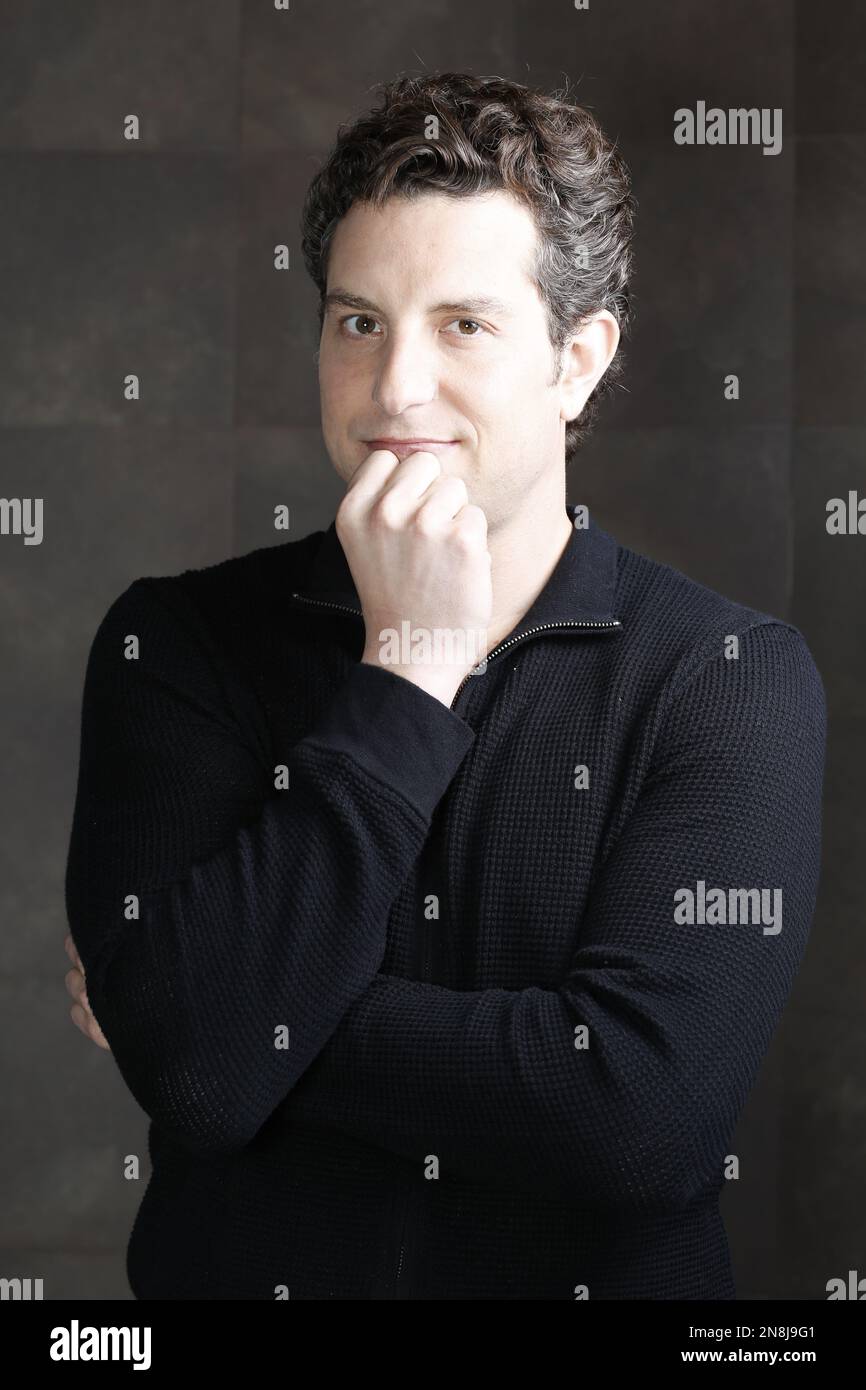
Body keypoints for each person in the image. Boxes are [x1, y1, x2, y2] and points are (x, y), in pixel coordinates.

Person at [63, 71, 826, 1300]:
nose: (394, 389)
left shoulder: (725, 679)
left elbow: (633, 1119)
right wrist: (409, 669)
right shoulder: (177, 642)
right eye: (359, 321)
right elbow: (197, 1073)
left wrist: (207, 1013)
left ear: (576, 361)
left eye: (462, 325)